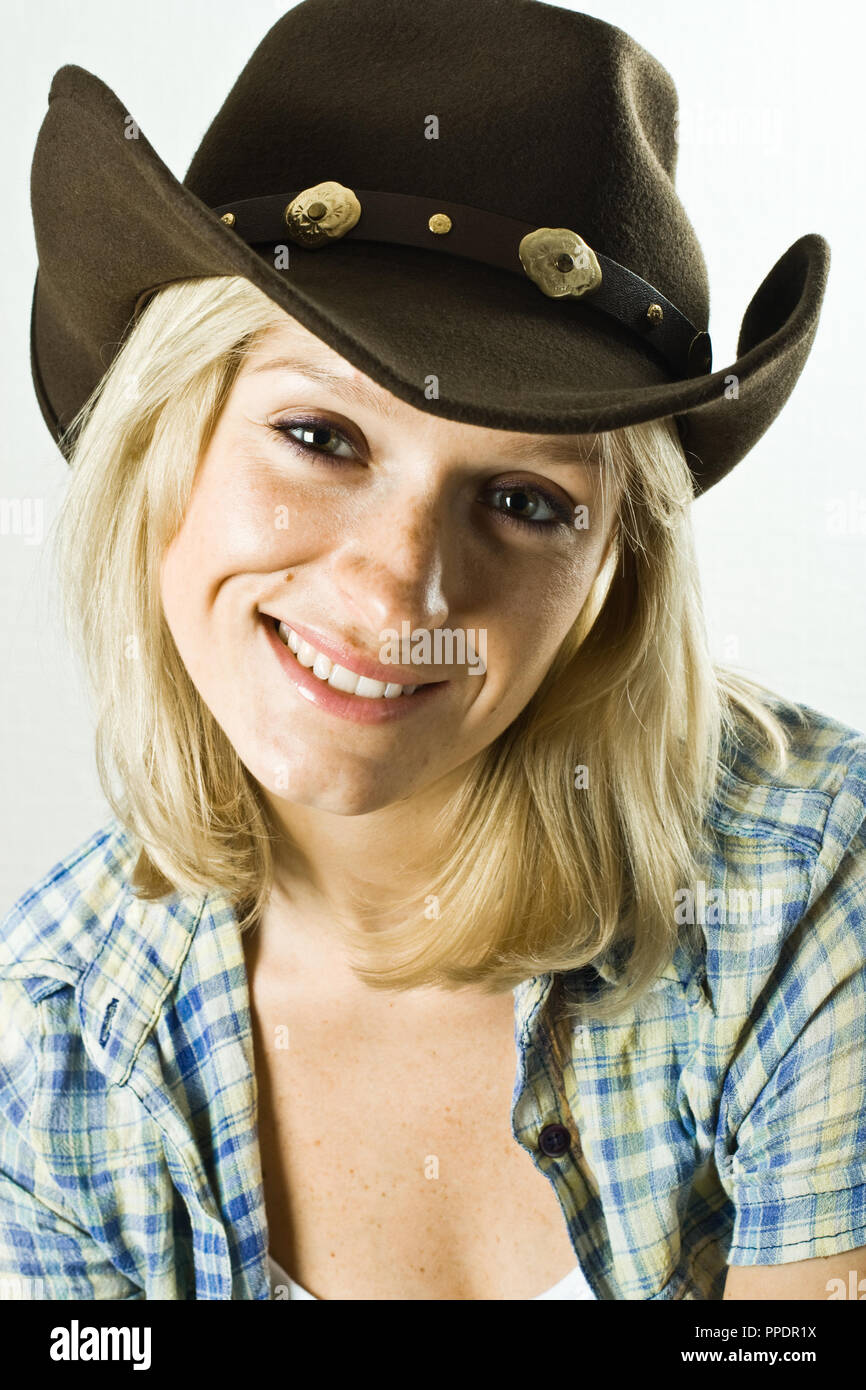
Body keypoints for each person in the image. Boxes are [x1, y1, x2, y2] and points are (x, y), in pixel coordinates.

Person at [2, 0, 864, 1301]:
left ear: (612, 573)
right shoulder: (54, 1040)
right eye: (320, 436)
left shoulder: (795, 882)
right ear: (162, 440)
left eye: (523, 500)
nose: (400, 579)